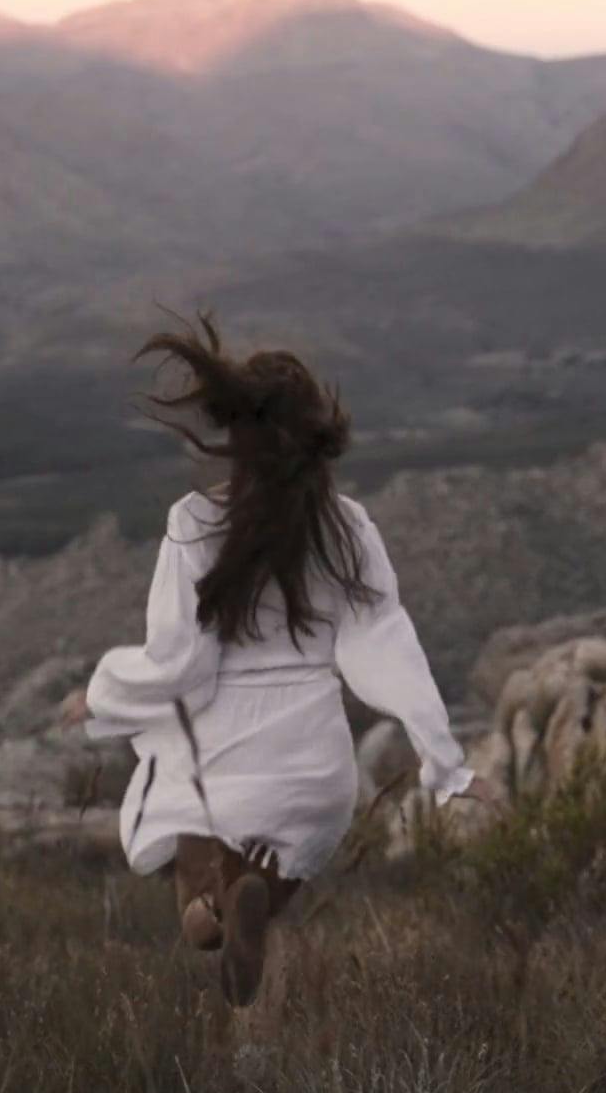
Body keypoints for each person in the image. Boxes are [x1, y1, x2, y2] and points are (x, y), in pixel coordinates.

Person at [61, 316, 484, 1016]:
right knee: (276, 865)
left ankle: (212, 910)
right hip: (315, 760)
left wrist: (102, 696)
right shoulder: (347, 526)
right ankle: (244, 901)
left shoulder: (195, 523)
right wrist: (444, 759)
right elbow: (383, 644)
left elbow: (179, 663)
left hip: (226, 751)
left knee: (183, 824)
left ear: (237, 430)